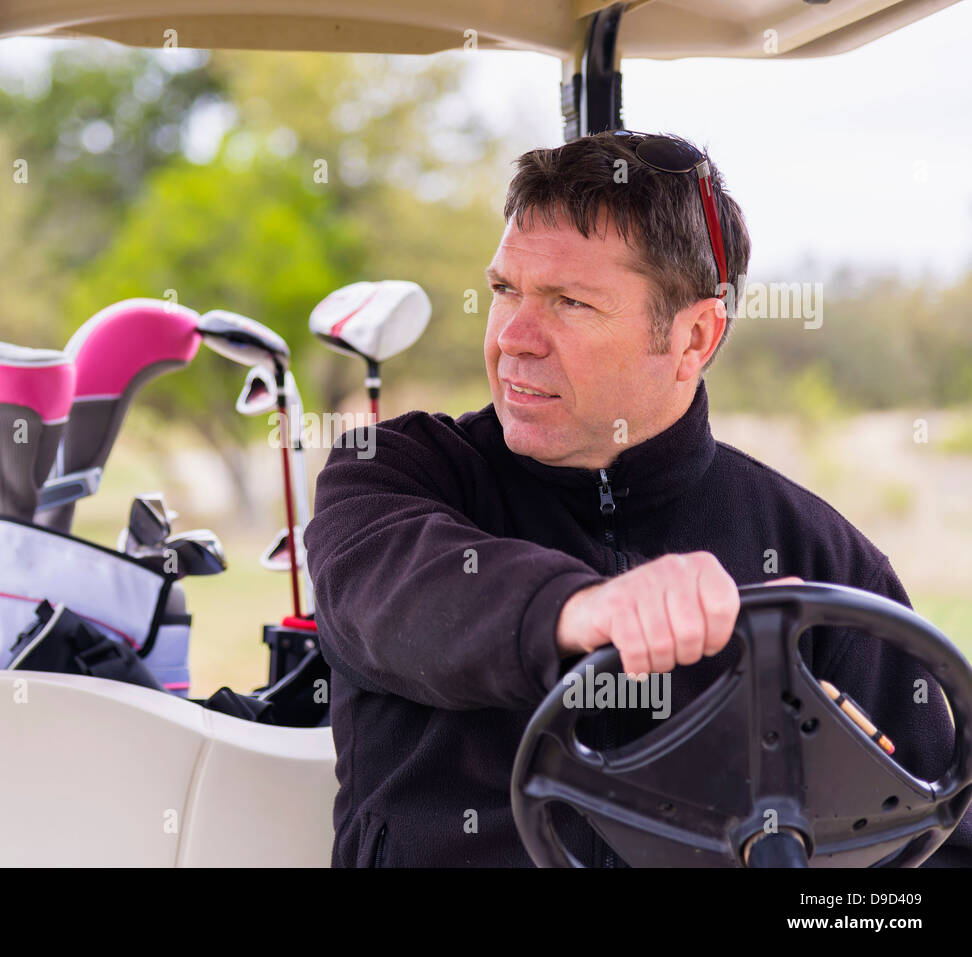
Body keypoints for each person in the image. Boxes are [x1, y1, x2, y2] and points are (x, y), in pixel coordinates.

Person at [303, 130, 972, 868]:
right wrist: (587, 608)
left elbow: (931, 838)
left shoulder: (823, 560)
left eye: (569, 302)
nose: (513, 337)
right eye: (504, 290)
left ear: (694, 337)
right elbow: (395, 597)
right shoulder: (395, 472)